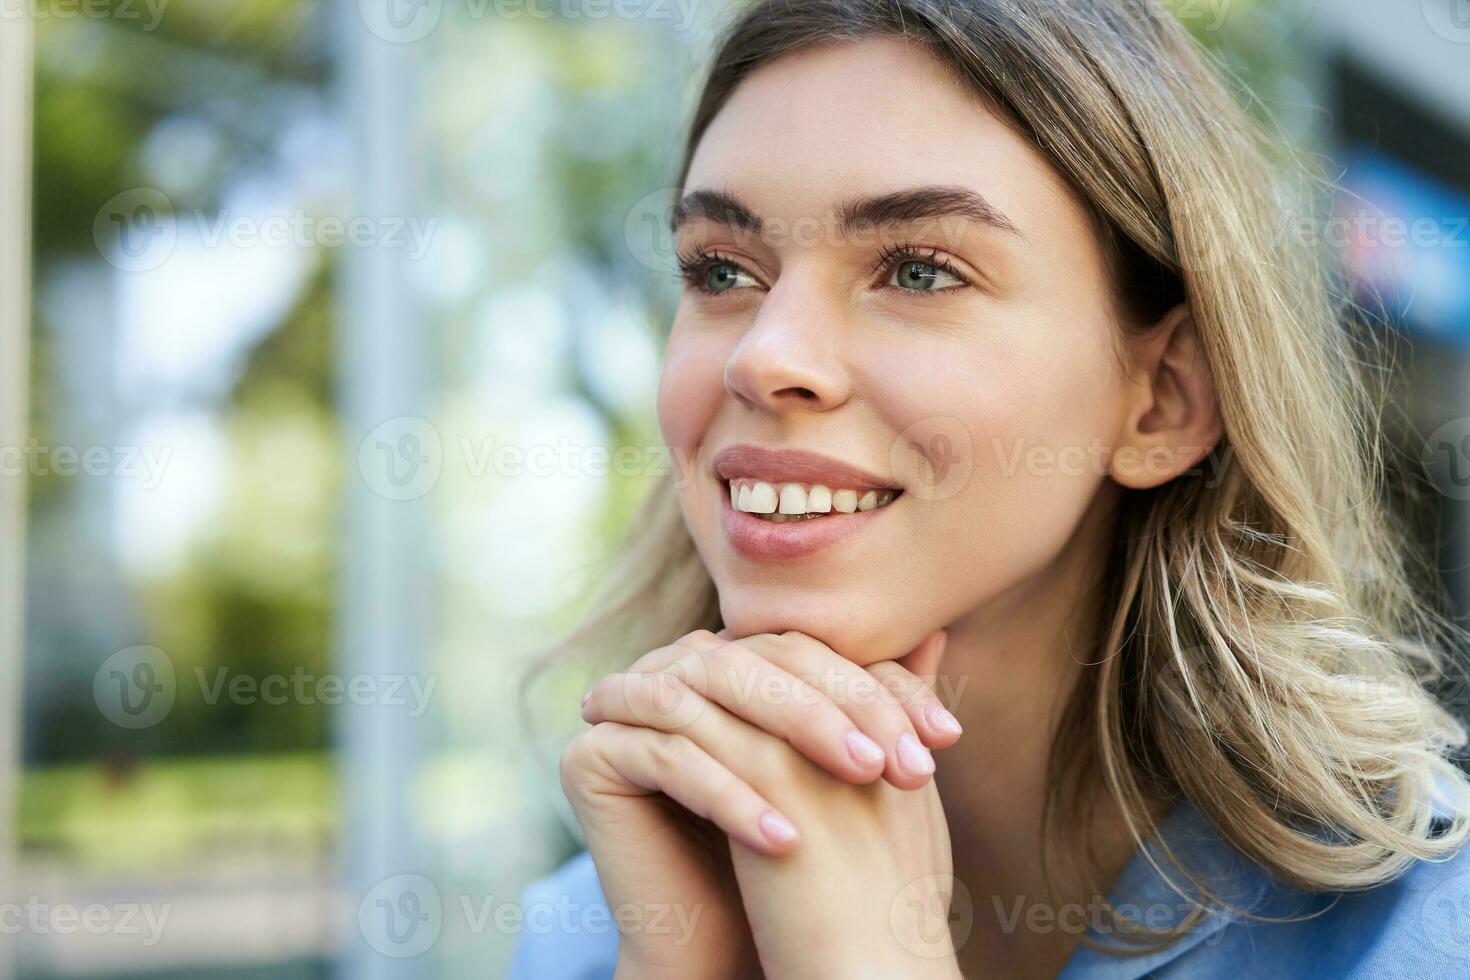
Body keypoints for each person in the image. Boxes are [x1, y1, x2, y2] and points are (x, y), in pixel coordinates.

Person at [511, 1, 1470, 975]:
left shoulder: (1428, 932)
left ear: (1165, 401)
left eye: (920, 271)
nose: (766, 357)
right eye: (720, 268)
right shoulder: (600, 926)